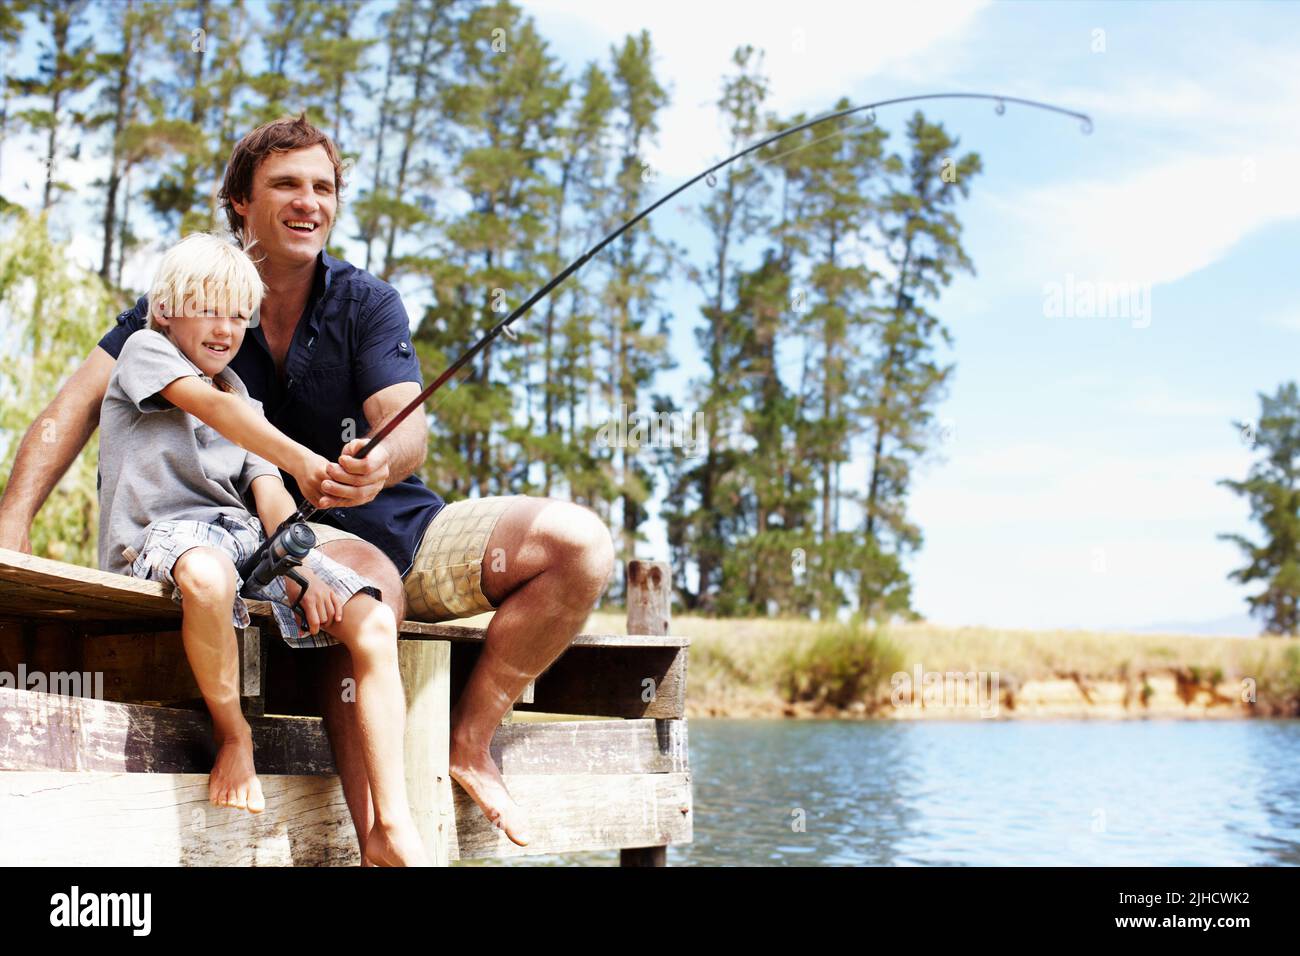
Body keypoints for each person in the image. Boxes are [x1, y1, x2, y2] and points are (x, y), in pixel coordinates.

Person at [0, 113, 615, 856]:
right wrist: (12, 530)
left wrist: (379, 462)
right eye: (286, 183)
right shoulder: (178, 308)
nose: (308, 201)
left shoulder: (367, 301)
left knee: (578, 545)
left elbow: (405, 427)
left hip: (399, 522)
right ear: (239, 203)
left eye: (323, 187)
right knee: (364, 595)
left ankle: (471, 742)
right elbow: (72, 412)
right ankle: (379, 840)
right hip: (288, 534)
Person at [100, 232, 428, 866]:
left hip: (238, 537)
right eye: (208, 309)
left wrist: (303, 568)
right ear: (166, 309)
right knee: (208, 576)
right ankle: (234, 734)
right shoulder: (145, 351)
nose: (226, 329)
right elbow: (218, 415)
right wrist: (308, 459)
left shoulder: (241, 397)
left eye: (237, 314)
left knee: (372, 619)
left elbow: (268, 494)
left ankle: (390, 826)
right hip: (158, 536)